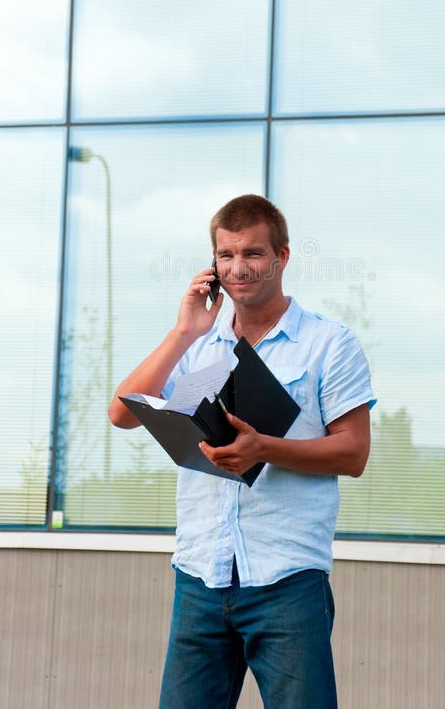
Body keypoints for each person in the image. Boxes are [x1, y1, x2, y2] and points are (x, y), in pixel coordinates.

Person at [108, 194, 375, 709]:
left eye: (253, 254)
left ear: (282, 257)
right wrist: (185, 330)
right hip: (200, 576)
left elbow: (353, 453)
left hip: (287, 579)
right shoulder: (198, 348)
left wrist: (265, 448)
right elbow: (122, 413)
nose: (239, 268)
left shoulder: (328, 344)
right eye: (225, 256)